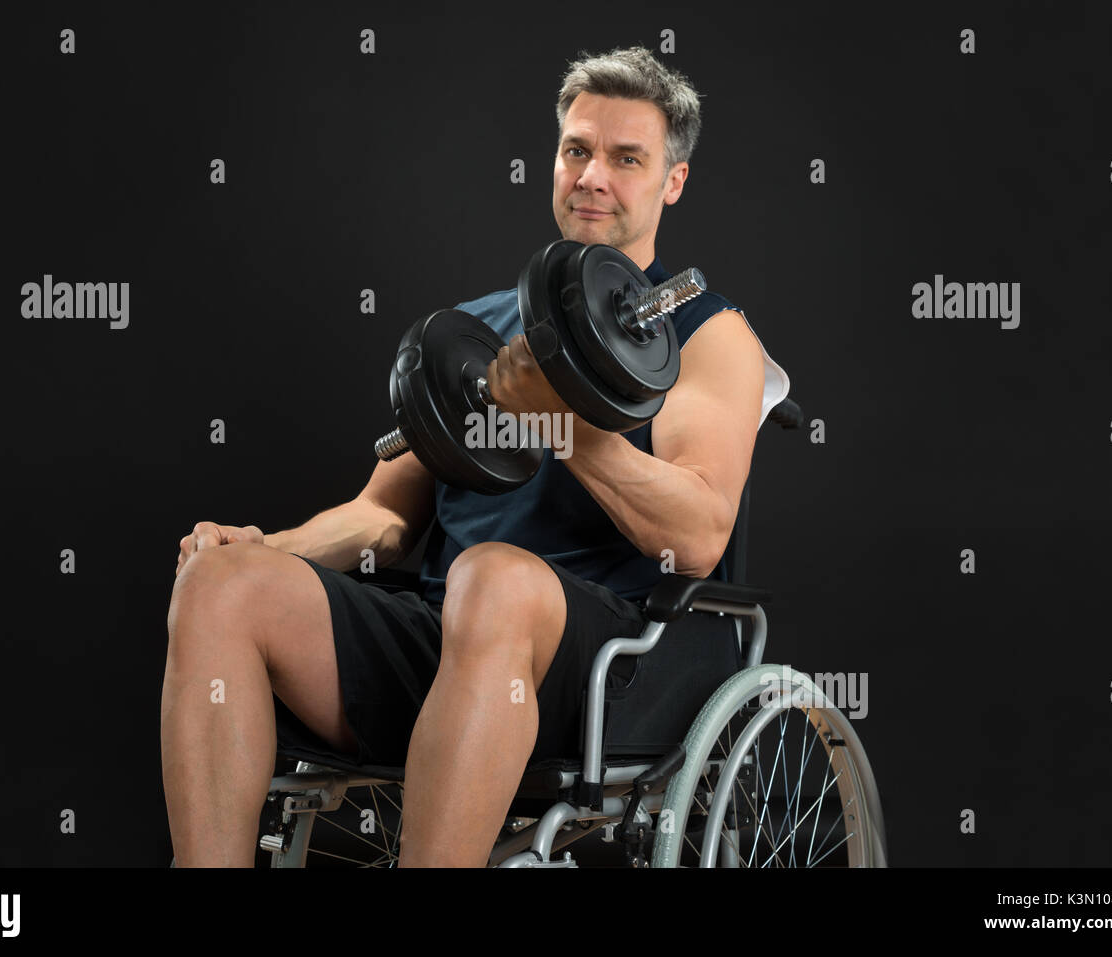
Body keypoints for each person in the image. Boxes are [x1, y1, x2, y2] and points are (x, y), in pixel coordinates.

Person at [162, 45, 790, 867]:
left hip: (609, 667)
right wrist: (258, 547)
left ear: (672, 180)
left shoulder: (710, 335)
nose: (593, 176)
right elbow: (384, 516)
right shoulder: (480, 326)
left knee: (491, 576)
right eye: (577, 150)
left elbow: (700, 530)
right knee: (219, 587)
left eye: (626, 158)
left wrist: (565, 425)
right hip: (448, 638)